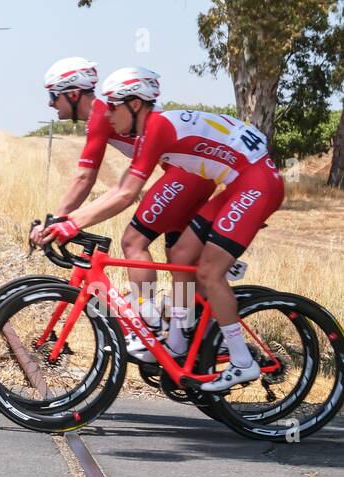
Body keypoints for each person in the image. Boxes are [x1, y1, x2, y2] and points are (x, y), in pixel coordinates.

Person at [42, 67, 284, 391]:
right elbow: (121, 189)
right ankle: (178, 336)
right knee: (181, 253)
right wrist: (70, 221)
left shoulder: (155, 128)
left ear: (135, 105)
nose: (107, 112)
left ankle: (241, 360)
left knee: (208, 271)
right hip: (234, 181)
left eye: (113, 106)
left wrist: (71, 222)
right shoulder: (148, 130)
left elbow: (126, 195)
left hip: (257, 183)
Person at [33, 60, 215, 362]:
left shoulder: (101, 115)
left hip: (186, 174)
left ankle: (149, 323)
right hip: (188, 172)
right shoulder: (109, 110)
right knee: (178, 256)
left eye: (54, 96)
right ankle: (191, 334)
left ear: (75, 94)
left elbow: (85, 178)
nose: (50, 104)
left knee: (133, 240)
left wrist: (58, 220)